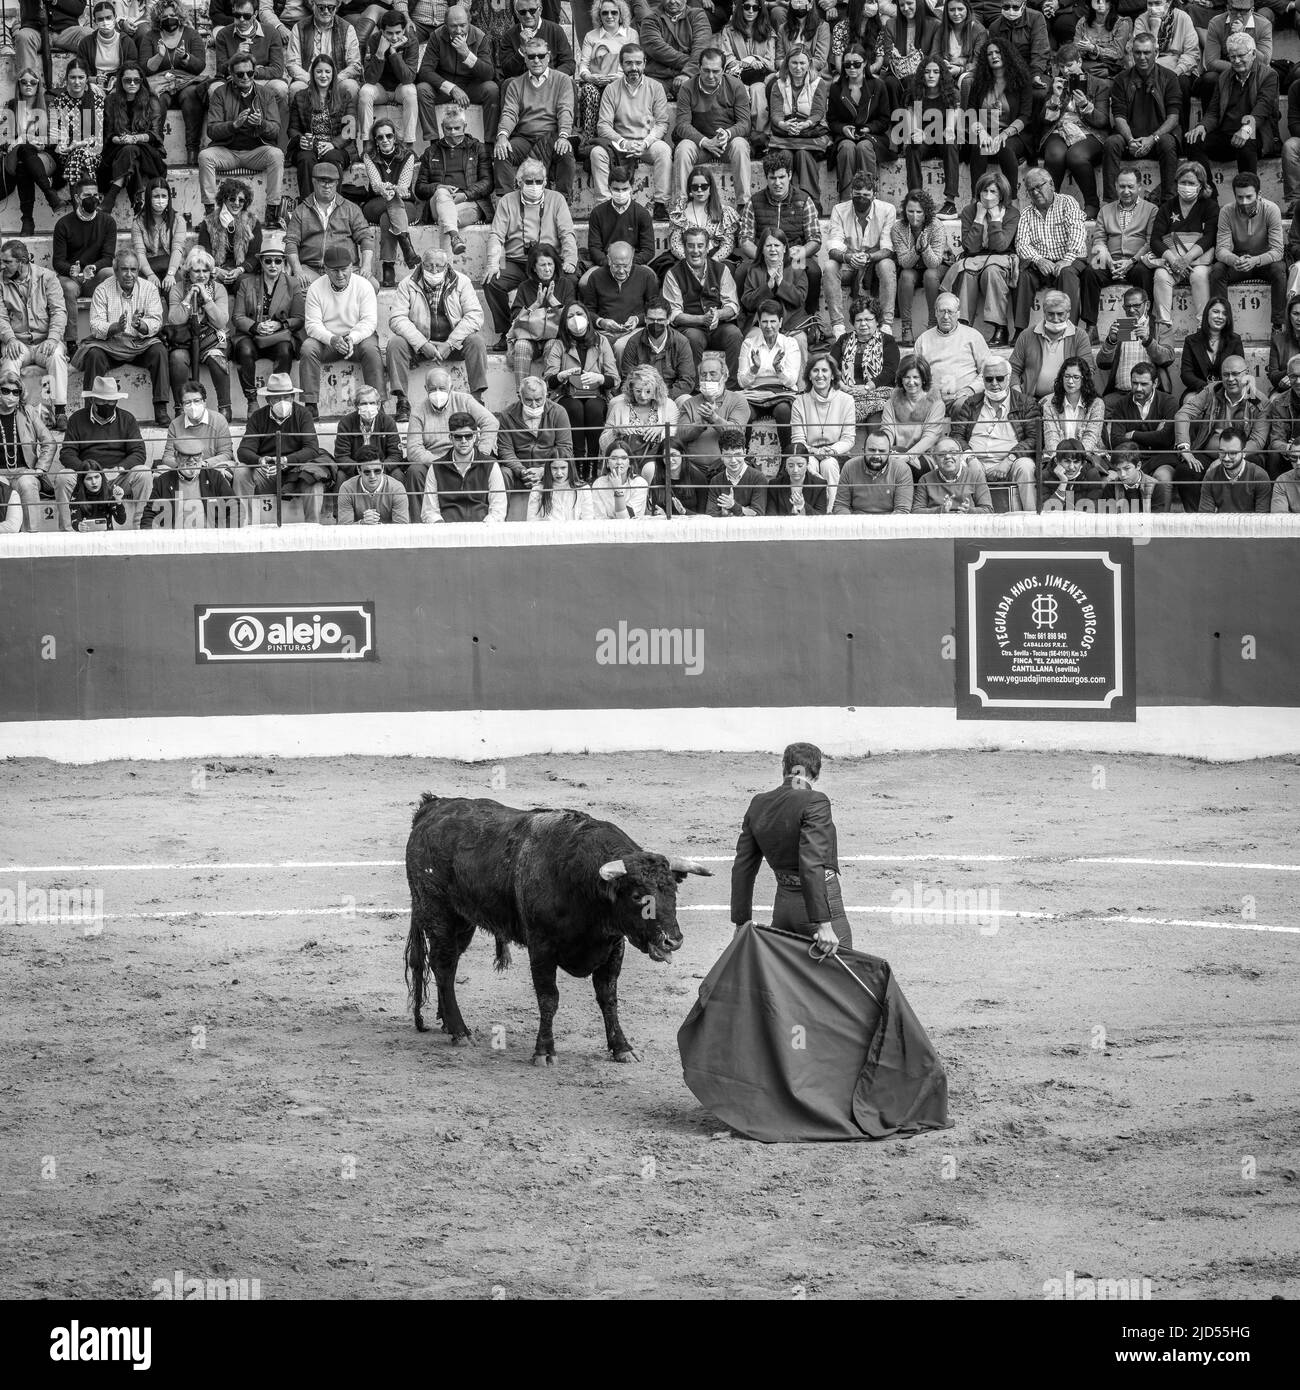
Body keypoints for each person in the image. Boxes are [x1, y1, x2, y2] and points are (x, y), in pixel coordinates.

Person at [730, 742, 851, 953]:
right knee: (843, 980)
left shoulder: (759, 803)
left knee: (787, 979)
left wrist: (741, 921)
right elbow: (811, 861)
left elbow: (743, 867)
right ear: (817, 771)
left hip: (783, 907)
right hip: (817, 905)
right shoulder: (816, 801)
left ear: (784, 767)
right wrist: (823, 923)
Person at [483, 160, 578, 349]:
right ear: (519, 182)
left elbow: (567, 233)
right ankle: (508, 330)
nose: (534, 186)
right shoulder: (507, 201)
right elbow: (496, 235)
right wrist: (493, 263)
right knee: (491, 282)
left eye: (538, 181)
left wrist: (570, 260)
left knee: (571, 278)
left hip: (548, 261)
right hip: (517, 261)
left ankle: (565, 329)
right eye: (529, 181)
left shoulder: (556, 199)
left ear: (545, 182)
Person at [386, 248, 486, 425]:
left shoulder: (461, 282)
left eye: (438, 266)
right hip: (420, 344)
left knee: (476, 341)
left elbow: (475, 315)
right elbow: (396, 318)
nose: (433, 270)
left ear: (446, 266)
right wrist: (422, 343)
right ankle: (402, 401)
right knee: (395, 344)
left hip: (452, 344)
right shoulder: (407, 284)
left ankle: (476, 399)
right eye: (429, 265)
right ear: (422, 265)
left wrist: (450, 343)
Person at [73, 248, 170, 429]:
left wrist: (140, 325)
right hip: (111, 344)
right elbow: (95, 324)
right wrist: (115, 327)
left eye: (133, 270)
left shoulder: (149, 288)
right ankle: (90, 409)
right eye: (124, 269)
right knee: (94, 355)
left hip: (140, 343)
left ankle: (161, 409)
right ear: (116, 271)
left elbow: (156, 320)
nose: (129, 274)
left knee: (159, 351)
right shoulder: (102, 289)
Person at [738, 150, 824, 332]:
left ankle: (811, 317)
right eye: (772, 178)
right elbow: (745, 238)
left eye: (781, 177)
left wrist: (801, 252)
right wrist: (764, 256)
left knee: (814, 271)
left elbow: (815, 239)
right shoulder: (754, 201)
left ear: (790, 175)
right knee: (742, 271)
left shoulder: (804, 200)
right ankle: (743, 316)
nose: (777, 183)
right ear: (766, 178)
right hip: (764, 253)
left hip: (795, 256)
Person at [201, 52, 288, 228]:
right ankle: (210, 214)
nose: (246, 77)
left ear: (255, 73)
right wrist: (234, 124)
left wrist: (262, 124)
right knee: (205, 157)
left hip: (256, 152)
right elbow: (212, 130)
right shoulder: (220, 93)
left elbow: (276, 130)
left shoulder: (265, 94)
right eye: (240, 74)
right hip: (228, 151)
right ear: (232, 75)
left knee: (277, 155)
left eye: (250, 73)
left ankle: (272, 213)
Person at [297, 244, 383, 420]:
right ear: (326, 270)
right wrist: (332, 339)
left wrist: (352, 338)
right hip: (328, 341)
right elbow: (312, 324)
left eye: (344, 269)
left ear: (352, 267)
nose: (340, 275)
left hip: (357, 339)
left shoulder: (364, 286)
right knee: (308, 347)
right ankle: (311, 405)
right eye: (334, 270)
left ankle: (378, 403)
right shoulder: (316, 288)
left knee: (372, 350)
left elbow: (369, 322)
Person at [236, 371, 334, 523]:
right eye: (277, 398)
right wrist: (261, 460)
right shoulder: (258, 417)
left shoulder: (303, 414)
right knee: (241, 471)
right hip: (267, 473)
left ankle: (312, 528)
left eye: (286, 397)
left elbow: (312, 448)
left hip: (296, 472)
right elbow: (243, 451)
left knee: (314, 483)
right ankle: (245, 524)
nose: (282, 401)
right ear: (268, 399)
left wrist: (284, 460)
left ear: (293, 397)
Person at [404, 366, 499, 518]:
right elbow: (414, 450)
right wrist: (442, 464)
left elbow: (491, 422)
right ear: (425, 388)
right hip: (435, 462)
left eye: (442, 388)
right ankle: (419, 526)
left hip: (467, 456)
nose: (437, 393)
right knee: (414, 472)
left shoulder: (465, 400)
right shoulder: (418, 410)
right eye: (432, 389)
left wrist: (481, 455)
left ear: (451, 387)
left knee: (498, 470)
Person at [60, 373, 153, 528]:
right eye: (103, 401)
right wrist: (88, 471)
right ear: (93, 400)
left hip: (118, 477)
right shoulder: (77, 419)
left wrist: (120, 468)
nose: (107, 405)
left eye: (111, 402)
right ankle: (68, 530)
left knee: (143, 473)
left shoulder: (127, 419)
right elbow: (67, 453)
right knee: (63, 478)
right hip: (87, 478)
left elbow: (139, 452)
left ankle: (142, 528)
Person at [589, 44, 672, 218]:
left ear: (644, 63)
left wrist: (645, 143)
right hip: (620, 145)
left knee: (664, 150)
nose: (634, 68)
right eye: (628, 63)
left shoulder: (656, 88)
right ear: (621, 64)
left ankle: (660, 204)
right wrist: (623, 142)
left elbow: (662, 123)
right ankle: (604, 205)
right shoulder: (612, 89)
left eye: (638, 63)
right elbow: (603, 126)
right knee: (597, 152)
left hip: (647, 143)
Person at [1174, 355, 1268, 509]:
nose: (1230, 379)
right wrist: (1185, 448)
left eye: (1236, 374)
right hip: (1208, 454)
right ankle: (1197, 521)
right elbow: (1183, 414)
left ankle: (1240, 519)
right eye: (1226, 374)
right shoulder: (1212, 390)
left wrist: (1227, 457)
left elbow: (1258, 441)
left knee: (1254, 466)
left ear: (1247, 374)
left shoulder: (1259, 401)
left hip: (1242, 455)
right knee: (1186, 470)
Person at [493, 33, 577, 199]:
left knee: (566, 153)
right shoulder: (516, 84)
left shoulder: (562, 80)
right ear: (525, 58)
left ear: (548, 56)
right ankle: (506, 204)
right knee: (501, 153)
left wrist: (564, 135)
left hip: (551, 136)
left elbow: (565, 109)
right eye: (531, 56)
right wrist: (502, 136)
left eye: (541, 56)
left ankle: (561, 202)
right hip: (524, 138)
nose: (536, 60)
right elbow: (510, 112)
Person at [949, 356, 1040, 509]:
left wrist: (1009, 460)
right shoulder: (971, 403)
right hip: (976, 462)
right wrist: (970, 458)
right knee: (958, 464)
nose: (994, 384)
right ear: (983, 380)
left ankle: (1031, 519)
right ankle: (961, 517)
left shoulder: (1026, 403)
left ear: (1009, 378)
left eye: (999, 378)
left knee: (1026, 466)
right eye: (989, 379)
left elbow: (1034, 438)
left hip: (1010, 462)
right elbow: (957, 435)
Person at [1186, 33, 1280, 180]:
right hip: (1226, 135)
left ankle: (1249, 192)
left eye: (1241, 55)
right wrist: (1202, 126)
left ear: (1253, 53)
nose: (1236, 61)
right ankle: (1208, 192)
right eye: (1232, 57)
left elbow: (1262, 109)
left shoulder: (1268, 75)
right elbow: (1214, 111)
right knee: (1194, 141)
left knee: (1246, 142)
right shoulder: (1224, 76)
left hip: (1255, 135)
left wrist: (1245, 130)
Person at [1103, 32, 1180, 211]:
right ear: (1132, 53)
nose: (1142, 57)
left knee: (1169, 142)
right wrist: (1130, 140)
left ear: (1156, 52)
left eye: (1147, 52)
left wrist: (1152, 139)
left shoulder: (1169, 77)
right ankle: (1110, 204)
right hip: (1131, 141)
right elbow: (1119, 115)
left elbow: (1173, 117)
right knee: (1111, 143)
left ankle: (1168, 203)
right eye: (1137, 52)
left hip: (1157, 139)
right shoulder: (1122, 79)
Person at [231, 232, 305, 417]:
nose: (273, 265)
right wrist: (256, 326)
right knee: (244, 350)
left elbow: (299, 318)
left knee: (285, 349)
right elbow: (238, 317)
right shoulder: (246, 283)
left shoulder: (292, 284)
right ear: (262, 263)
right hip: (251, 336)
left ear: (284, 263)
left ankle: (279, 398)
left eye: (278, 261)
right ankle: (252, 400)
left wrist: (280, 325)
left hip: (278, 336)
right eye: (268, 261)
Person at [0, 242, 71, 433]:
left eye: (7, 262)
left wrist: (53, 338)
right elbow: (1, 316)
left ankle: (59, 410)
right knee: (9, 360)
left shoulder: (47, 277)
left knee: (56, 356)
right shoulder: (0, 281)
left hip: (44, 342)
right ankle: (8, 413)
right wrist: (10, 339)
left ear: (22, 261)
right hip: (19, 342)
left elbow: (59, 311)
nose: (3, 266)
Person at [544, 301, 618, 481]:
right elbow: (549, 381)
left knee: (594, 408)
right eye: (570, 316)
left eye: (580, 314)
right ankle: (577, 463)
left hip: (597, 394)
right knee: (575, 408)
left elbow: (614, 379)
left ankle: (592, 465)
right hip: (566, 395)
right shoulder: (558, 344)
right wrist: (562, 375)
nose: (576, 319)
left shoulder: (601, 341)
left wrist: (599, 378)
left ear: (587, 317)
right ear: (564, 322)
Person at [663, 226, 743, 388]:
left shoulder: (721, 270)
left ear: (708, 248)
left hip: (718, 326)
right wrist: (702, 319)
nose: (695, 251)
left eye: (700, 246)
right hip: (690, 327)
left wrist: (718, 315)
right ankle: (697, 389)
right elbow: (674, 314)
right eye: (690, 245)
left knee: (734, 334)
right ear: (684, 248)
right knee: (693, 338)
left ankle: (731, 387)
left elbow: (733, 306)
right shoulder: (673, 274)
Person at [945, 170, 1019, 346]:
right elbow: (970, 247)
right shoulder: (970, 211)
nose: (988, 196)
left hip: (1000, 258)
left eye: (993, 192)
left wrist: (995, 220)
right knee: (967, 272)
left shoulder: (1011, 213)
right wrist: (979, 218)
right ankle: (962, 325)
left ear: (1002, 194)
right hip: (974, 257)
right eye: (984, 191)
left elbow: (1000, 245)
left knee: (992, 272)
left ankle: (1000, 327)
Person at [1079, 169, 1158, 332]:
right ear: (1116, 187)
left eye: (1130, 186)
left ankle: (1146, 324)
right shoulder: (1105, 210)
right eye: (1122, 186)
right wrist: (1108, 260)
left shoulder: (1151, 210)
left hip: (1137, 262)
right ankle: (1091, 327)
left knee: (1144, 273)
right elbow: (1099, 239)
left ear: (1139, 187)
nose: (1126, 191)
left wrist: (1131, 261)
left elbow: (1150, 242)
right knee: (1089, 273)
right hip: (1111, 261)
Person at [672, 46, 753, 205]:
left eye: (715, 71)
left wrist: (728, 134)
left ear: (723, 70)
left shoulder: (736, 85)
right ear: (699, 68)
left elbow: (745, 124)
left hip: (726, 145)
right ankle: (681, 205)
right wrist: (705, 141)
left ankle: (744, 205)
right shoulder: (687, 87)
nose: (710, 75)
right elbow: (682, 125)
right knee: (683, 148)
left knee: (740, 145)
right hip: (699, 145)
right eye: (706, 70)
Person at [1035, 44, 1108, 220]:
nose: (1066, 70)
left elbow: (1102, 121)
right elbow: (1043, 120)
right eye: (1061, 66)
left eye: (1069, 65)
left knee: (1076, 156)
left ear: (1080, 62)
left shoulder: (1099, 85)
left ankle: (1091, 204)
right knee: (1054, 154)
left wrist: (1084, 105)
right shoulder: (1056, 84)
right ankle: (1049, 205)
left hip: (1089, 133)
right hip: (1059, 131)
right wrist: (1054, 98)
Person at [1210, 172, 1287, 334]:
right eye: (1239, 197)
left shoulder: (1271, 209)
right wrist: (1234, 260)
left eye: (1249, 197)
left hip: (1264, 262)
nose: (1244, 202)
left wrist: (1255, 260)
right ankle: (1222, 326)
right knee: (1217, 270)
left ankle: (1278, 326)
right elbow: (1221, 250)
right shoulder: (1226, 211)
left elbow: (1278, 251)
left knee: (1279, 269)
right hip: (1239, 263)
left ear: (1259, 194)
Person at [412, 105, 492, 259]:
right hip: (438, 202)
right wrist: (438, 187)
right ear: (442, 128)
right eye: (448, 128)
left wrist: (466, 195)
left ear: (465, 127)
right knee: (442, 193)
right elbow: (420, 189)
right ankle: (455, 237)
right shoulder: (431, 152)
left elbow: (488, 183)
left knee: (446, 219)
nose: (453, 132)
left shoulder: (478, 148)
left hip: (470, 204)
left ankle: (445, 266)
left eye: (457, 128)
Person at [824, 171, 895, 341]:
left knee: (887, 265)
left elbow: (887, 249)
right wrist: (849, 258)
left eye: (866, 195)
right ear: (851, 194)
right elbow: (833, 248)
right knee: (829, 266)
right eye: (857, 195)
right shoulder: (839, 210)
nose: (861, 198)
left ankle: (886, 325)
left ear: (874, 195)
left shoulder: (887, 210)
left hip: (874, 264)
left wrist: (868, 258)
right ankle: (838, 327)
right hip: (848, 263)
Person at [416, 4, 500, 144]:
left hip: (470, 86)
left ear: (469, 21)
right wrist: (452, 89)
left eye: (462, 25)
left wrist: (467, 54)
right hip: (444, 87)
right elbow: (425, 71)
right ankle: (434, 144)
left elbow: (488, 74)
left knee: (491, 89)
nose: (458, 31)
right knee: (422, 89)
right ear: (446, 24)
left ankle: (490, 143)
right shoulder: (437, 36)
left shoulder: (480, 37)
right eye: (453, 26)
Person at [165, 248, 233, 420]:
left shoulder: (218, 289)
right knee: (177, 359)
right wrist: (188, 298)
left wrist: (207, 298)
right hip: (184, 341)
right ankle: (181, 408)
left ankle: (225, 408)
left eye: (206, 271)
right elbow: (174, 320)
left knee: (218, 360)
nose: (202, 275)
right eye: (197, 271)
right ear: (188, 272)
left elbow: (221, 321)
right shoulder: (177, 289)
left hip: (210, 340)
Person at [1150, 162, 1219, 330]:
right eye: (1183, 182)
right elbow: (1155, 240)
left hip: (1199, 262)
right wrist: (1174, 261)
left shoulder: (1210, 206)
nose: (1186, 187)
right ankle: (1164, 327)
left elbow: (1210, 237)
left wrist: (1186, 259)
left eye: (1192, 183)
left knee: (1199, 276)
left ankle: (1203, 326)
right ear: (1177, 183)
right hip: (1172, 262)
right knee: (1160, 276)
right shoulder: (1167, 207)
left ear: (1201, 186)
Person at [1015, 169, 1086, 330]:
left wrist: (1066, 260)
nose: (1035, 192)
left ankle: (1070, 328)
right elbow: (1021, 244)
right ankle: (1019, 330)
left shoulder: (1067, 202)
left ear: (1052, 184)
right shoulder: (1026, 213)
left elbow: (1077, 232)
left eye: (1039, 186)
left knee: (1067, 273)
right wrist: (1038, 260)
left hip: (1071, 258)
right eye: (1031, 190)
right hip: (1042, 263)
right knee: (1024, 276)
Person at [138, 0, 207, 165]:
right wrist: (159, 56)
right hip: (161, 86)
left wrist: (185, 58)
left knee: (191, 95)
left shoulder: (191, 34)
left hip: (186, 84)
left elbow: (200, 66)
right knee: (156, 100)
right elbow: (144, 68)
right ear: (158, 18)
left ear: (180, 16)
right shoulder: (151, 36)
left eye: (173, 15)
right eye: (165, 16)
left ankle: (192, 151)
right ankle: (156, 149)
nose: (170, 19)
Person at [1, 69, 68, 238]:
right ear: (18, 85)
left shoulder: (49, 105)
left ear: (39, 85)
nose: (28, 85)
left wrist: (36, 141)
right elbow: (5, 140)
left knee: (25, 161)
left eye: (33, 82)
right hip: (15, 156)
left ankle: (27, 221)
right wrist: (25, 138)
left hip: (43, 156)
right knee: (24, 151)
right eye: (24, 82)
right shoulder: (11, 106)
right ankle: (50, 194)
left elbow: (55, 139)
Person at [285, 162, 376, 282]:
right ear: (313, 181)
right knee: (298, 286)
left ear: (337, 183)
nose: (327, 185)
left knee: (371, 285)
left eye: (331, 181)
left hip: (345, 268)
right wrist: (298, 271)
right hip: (311, 269)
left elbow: (366, 237)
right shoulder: (301, 210)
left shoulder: (350, 208)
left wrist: (366, 266)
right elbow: (291, 242)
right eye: (322, 181)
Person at [211, 3, 290, 139]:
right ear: (233, 12)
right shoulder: (223, 34)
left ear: (255, 14)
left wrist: (252, 73)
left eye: (247, 16)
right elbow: (221, 69)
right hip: (233, 80)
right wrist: (235, 57)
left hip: (262, 81)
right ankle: (225, 137)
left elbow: (277, 69)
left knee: (281, 88)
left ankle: (273, 136)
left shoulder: (270, 32)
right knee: (214, 89)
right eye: (237, 15)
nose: (241, 20)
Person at [964, 37, 1033, 191]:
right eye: (990, 54)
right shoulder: (980, 81)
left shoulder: (1022, 81)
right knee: (979, 146)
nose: (994, 56)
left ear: (1006, 54)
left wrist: (1004, 134)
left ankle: (1012, 202)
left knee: (1005, 147)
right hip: (985, 131)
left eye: (998, 52)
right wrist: (981, 132)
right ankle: (977, 200)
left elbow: (1025, 115)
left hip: (1013, 134)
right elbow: (971, 111)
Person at [498, 374, 575, 508]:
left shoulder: (558, 412)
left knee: (563, 467)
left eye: (539, 400)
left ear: (546, 396)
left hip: (550, 469)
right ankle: (500, 515)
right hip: (519, 471)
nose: (534, 405)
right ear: (520, 397)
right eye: (528, 400)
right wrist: (522, 471)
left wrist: (542, 470)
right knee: (503, 473)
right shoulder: (507, 415)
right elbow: (505, 450)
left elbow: (565, 448)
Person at [767, 49, 831, 210]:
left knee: (803, 155)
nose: (798, 67)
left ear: (809, 64)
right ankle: (780, 200)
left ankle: (811, 202)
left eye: (802, 63)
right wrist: (783, 125)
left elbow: (818, 112)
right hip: (785, 134)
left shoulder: (819, 83)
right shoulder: (778, 84)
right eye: (794, 62)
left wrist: (805, 124)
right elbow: (775, 113)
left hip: (810, 134)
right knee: (784, 157)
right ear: (787, 64)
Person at [98, 62, 165, 215]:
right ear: (120, 81)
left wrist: (134, 138)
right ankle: (138, 203)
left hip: (147, 152)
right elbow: (108, 134)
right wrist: (119, 140)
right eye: (128, 80)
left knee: (131, 149)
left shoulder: (152, 101)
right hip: (117, 150)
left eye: (137, 80)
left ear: (142, 81)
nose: (132, 83)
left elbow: (156, 135)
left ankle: (110, 198)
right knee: (130, 155)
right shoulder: (111, 101)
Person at [900, 57, 960, 221]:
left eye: (936, 72)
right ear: (922, 75)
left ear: (942, 75)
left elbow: (949, 128)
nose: (931, 76)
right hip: (924, 140)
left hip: (942, 139)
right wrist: (916, 134)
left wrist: (943, 131)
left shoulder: (950, 94)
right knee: (912, 146)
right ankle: (916, 198)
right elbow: (915, 128)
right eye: (927, 72)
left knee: (950, 143)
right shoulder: (916, 94)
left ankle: (950, 202)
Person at [738, 299, 802, 454]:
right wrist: (754, 368)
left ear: (780, 322)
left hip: (782, 392)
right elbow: (742, 382)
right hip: (754, 394)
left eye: (773, 321)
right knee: (744, 411)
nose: (769, 326)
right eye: (764, 321)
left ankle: (788, 457)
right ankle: (743, 457)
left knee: (783, 411)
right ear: (759, 323)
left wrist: (778, 368)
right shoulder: (749, 344)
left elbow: (792, 380)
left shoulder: (790, 343)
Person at [0, 361, 58, 532]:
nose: (10, 395)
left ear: (20, 394)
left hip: (24, 471)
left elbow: (49, 442)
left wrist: (39, 469)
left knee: (27, 484)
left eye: (15, 392)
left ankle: (33, 537)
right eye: (5, 391)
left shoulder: (28, 412)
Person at [288, 53, 357, 194]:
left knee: (332, 157)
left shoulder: (345, 96)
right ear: (313, 74)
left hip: (336, 147)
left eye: (327, 72)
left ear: (333, 74)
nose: (323, 76)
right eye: (319, 71)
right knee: (305, 158)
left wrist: (333, 144)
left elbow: (349, 130)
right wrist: (301, 140)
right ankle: (308, 205)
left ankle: (332, 205)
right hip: (310, 146)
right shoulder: (300, 96)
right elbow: (293, 129)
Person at [580, 241, 658, 364]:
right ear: (609, 260)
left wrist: (637, 319)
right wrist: (601, 322)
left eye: (626, 266)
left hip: (635, 330)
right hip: (605, 331)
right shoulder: (596, 276)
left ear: (632, 260)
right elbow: (587, 311)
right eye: (616, 266)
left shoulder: (646, 275)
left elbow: (656, 309)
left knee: (621, 347)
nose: (621, 271)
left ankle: (621, 382)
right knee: (592, 346)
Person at [361, 119, 419, 288]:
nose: (385, 140)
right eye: (380, 137)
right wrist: (385, 189)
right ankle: (406, 246)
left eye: (389, 135)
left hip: (404, 204)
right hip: (376, 203)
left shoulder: (408, 155)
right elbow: (376, 184)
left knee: (388, 218)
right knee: (389, 201)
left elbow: (403, 186)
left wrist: (391, 189)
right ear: (375, 140)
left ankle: (388, 266)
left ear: (395, 137)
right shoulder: (369, 156)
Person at [1009, 290, 1095, 401]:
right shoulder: (1027, 335)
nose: (1055, 319)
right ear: (1044, 313)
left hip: (1067, 400)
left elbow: (1087, 372)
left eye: (1060, 314)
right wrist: (1019, 395)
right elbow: (1012, 370)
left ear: (1068, 313)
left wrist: (1057, 398)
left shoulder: (1079, 336)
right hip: (1030, 400)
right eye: (1050, 314)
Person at [791, 353, 855, 499]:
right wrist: (813, 451)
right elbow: (797, 440)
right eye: (815, 370)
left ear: (832, 375)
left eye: (825, 370)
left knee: (829, 464)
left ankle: (832, 510)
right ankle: (808, 510)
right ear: (809, 375)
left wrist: (830, 451)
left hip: (836, 453)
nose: (820, 375)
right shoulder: (799, 402)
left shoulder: (847, 400)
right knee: (807, 464)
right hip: (808, 450)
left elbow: (848, 439)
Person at [160, 381, 238, 500]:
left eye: (197, 401)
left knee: (223, 471)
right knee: (161, 472)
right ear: (181, 406)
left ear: (204, 402)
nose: (193, 405)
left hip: (211, 468)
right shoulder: (175, 424)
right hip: (183, 470)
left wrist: (203, 465)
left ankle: (220, 515)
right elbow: (167, 457)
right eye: (187, 402)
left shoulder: (219, 420)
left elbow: (226, 454)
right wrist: (186, 466)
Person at [576, 2, 639, 149]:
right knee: (589, 90)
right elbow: (583, 65)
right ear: (599, 15)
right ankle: (589, 140)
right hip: (596, 82)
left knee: (620, 90)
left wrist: (621, 77)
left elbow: (635, 63)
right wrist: (589, 77)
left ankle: (623, 141)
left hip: (621, 81)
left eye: (614, 13)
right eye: (605, 13)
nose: (609, 16)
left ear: (620, 14)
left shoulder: (631, 34)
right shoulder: (591, 36)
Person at [830, 294, 899, 422]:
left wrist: (868, 387)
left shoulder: (887, 341)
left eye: (868, 319)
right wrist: (843, 387)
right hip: (846, 394)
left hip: (877, 395)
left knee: (877, 420)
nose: (863, 324)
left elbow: (890, 371)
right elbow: (830, 367)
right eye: (859, 320)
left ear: (877, 321)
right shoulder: (843, 340)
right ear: (853, 322)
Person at [1195, 0, 1273, 113]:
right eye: (1234, 10)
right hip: (1225, 70)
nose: (1238, 15)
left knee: (1265, 77)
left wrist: (1244, 34)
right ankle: (1209, 124)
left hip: (1253, 70)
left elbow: (1264, 60)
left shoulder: (1264, 24)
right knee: (1209, 79)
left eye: (1244, 11)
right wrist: (1238, 68)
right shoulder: (1216, 23)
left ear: (1252, 10)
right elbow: (1211, 62)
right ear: (1228, 8)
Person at [738, 228, 812, 348]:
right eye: (768, 245)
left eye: (777, 245)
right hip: (762, 323)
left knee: (800, 341)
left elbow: (800, 299)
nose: (773, 249)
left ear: (784, 248)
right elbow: (748, 302)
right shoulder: (754, 270)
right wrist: (768, 287)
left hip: (792, 323)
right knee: (751, 340)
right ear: (762, 249)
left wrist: (781, 283)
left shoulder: (797, 267)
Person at [914, 290, 989, 407]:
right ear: (935, 313)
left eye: (950, 312)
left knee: (961, 407)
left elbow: (987, 370)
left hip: (965, 398)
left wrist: (970, 389)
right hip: (932, 399)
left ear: (958, 313)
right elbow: (915, 373)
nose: (946, 317)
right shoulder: (923, 340)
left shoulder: (973, 336)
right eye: (942, 311)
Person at [891, 188, 946, 348]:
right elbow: (904, 262)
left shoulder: (936, 226)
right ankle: (906, 327)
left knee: (930, 275)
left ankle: (933, 324)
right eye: (910, 211)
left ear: (926, 212)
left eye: (919, 212)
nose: (914, 216)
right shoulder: (898, 228)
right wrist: (916, 249)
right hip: (912, 266)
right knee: (906, 275)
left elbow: (934, 262)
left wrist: (925, 247)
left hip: (937, 266)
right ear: (904, 210)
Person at [599, 363, 678, 472]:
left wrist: (662, 429)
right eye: (638, 391)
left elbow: (677, 439)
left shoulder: (669, 405)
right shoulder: (619, 407)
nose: (643, 396)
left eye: (648, 391)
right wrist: (615, 431)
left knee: (651, 469)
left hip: (658, 463)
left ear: (656, 389)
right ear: (631, 388)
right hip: (625, 464)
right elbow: (603, 445)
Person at [358, 6, 419, 145]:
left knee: (410, 90)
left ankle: (409, 144)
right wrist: (380, 52)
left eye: (398, 32)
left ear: (404, 30)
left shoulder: (411, 40)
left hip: (399, 89)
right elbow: (370, 79)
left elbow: (408, 78)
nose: (394, 37)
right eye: (389, 33)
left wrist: (393, 52)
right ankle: (367, 143)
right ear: (382, 31)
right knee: (365, 91)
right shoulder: (374, 40)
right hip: (380, 89)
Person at [285, 0, 363, 107]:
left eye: (331, 8)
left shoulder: (347, 29)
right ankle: (301, 124)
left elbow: (355, 65)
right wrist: (311, 80)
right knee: (296, 88)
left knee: (351, 86)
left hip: (338, 80)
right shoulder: (299, 28)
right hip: (307, 80)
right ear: (312, 5)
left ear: (337, 7)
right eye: (321, 7)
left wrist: (335, 80)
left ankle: (349, 123)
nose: (326, 11)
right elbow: (292, 64)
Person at [48, 61, 106, 196]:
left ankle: (73, 192)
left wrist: (78, 144)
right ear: (66, 78)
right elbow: (55, 136)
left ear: (87, 79)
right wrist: (68, 146)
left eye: (81, 77)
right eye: (72, 77)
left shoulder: (96, 100)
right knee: (80, 155)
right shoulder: (58, 102)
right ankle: (91, 198)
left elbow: (98, 137)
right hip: (65, 153)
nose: (77, 82)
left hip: (93, 151)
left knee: (81, 153)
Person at [620, 300, 698, 400]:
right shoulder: (634, 342)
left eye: (660, 320)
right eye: (651, 319)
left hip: (671, 396)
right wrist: (644, 395)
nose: (655, 323)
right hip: (640, 396)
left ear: (668, 319)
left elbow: (687, 380)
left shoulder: (681, 342)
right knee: (616, 402)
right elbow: (627, 377)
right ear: (645, 319)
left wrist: (663, 396)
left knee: (685, 399)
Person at [666, 166, 741, 269]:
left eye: (704, 186)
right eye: (695, 187)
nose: (699, 190)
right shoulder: (680, 211)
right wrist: (691, 261)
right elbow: (675, 244)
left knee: (724, 269)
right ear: (690, 189)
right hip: (686, 256)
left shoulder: (724, 212)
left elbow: (728, 244)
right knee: (674, 270)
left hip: (714, 257)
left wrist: (712, 262)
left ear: (711, 188)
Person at [196, 180, 264, 293]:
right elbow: (204, 253)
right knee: (210, 283)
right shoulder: (209, 222)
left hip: (242, 271)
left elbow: (255, 254)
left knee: (246, 284)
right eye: (232, 199)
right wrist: (216, 270)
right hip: (217, 270)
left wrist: (239, 270)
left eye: (241, 200)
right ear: (224, 199)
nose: (237, 203)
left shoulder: (252, 221)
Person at [720, 0, 777, 134]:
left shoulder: (768, 31)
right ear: (740, 8)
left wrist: (754, 59)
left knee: (758, 92)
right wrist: (744, 62)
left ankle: (760, 136)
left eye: (755, 8)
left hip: (761, 77)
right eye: (747, 7)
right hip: (737, 76)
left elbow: (771, 62)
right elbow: (726, 58)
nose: (751, 11)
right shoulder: (728, 30)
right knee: (742, 92)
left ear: (760, 9)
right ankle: (742, 134)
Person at [333, 382, 405, 487]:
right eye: (363, 403)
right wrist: (361, 469)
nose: (368, 407)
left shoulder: (388, 422)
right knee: (341, 476)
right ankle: (341, 504)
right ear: (356, 406)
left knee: (398, 475)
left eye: (372, 403)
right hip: (356, 470)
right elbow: (341, 456)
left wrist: (378, 468)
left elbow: (396, 454)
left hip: (381, 469)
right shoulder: (346, 423)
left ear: (379, 405)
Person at [588, 162, 657, 270]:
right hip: (606, 265)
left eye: (624, 189)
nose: (620, 193)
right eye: (616, 189)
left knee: (652, 280)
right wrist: (610, 264)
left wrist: (627, 264)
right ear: (609, 187)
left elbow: (648, 250)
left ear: (631, 187)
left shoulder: (642, 214)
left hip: (635, 265)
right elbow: (594, 248)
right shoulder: (597, 213)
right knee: (584, 283)